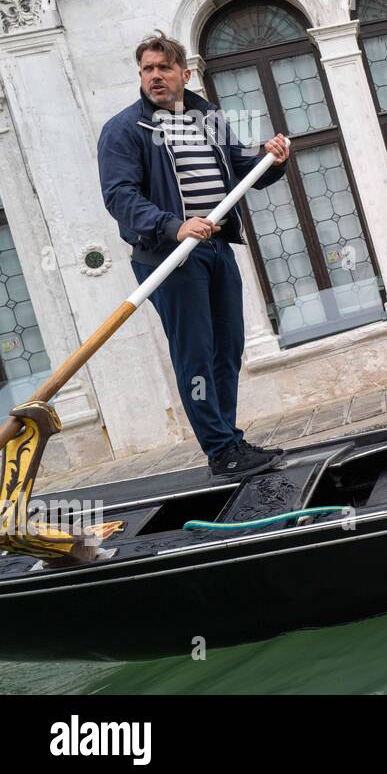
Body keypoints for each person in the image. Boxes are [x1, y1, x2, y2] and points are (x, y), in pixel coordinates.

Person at [98, 32, 292, 478]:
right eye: (147, 69)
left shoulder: (210, 118)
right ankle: (221, 450)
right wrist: (173, 225)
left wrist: (272, 158)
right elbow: (119, 196)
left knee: (228, 349)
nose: (155, 76)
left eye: (164, 68)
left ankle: (230, 440)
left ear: (184, 74)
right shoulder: (125, 129)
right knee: (196, 354)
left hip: (217, 248)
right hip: (171, 258)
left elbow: (246, 170)